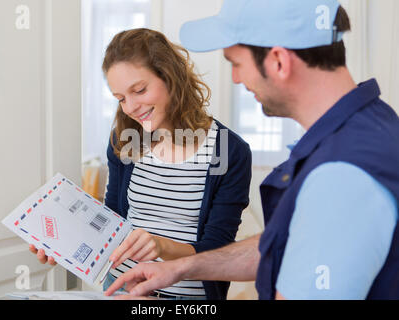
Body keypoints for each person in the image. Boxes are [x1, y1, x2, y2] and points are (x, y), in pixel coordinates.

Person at [105, 0, 399, 300]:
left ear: (278, 61)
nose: (236, 78)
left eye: (235, 63)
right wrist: (181, 268)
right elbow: (283, 245)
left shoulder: (340, 172)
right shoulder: (367, 127)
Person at [30, 28, 252, 300]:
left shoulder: (228, 151)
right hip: (122, 289)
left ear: (170, 77)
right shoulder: (125, 141)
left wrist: (161, 246)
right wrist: (63, 241)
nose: (131, 107)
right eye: (121, 98)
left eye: (139, 90)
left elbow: (218, 251)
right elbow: (111, 222)